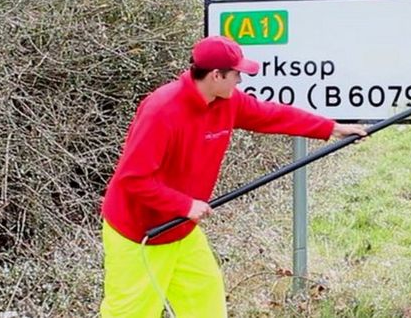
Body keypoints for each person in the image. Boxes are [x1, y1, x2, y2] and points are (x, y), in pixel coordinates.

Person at [99, 35, 367, 318]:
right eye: (237, 74)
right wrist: (185, 205)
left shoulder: (226, 101)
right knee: (130, 313)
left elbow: (273, 115)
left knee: (207, 307)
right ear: (216, 75)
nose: (240, 80)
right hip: (139, 232)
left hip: (181, 231)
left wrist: (331, 128)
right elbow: (133, 179)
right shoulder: (162, 110)